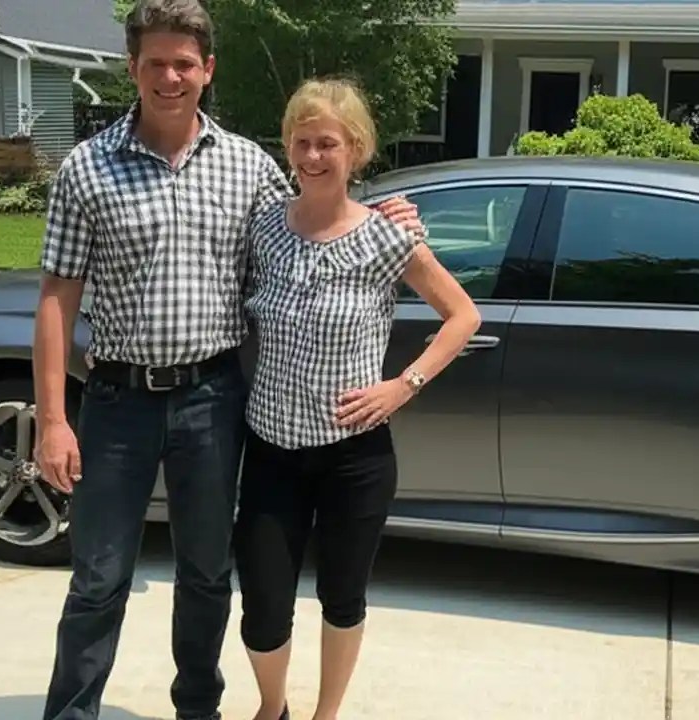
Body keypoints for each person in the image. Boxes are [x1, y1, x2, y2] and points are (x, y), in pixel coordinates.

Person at [30, 3, 422, 719]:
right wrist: (53, 420)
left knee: (207, 574)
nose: (170, 77)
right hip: (116, 402)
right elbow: (58, 297)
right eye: (155, 63)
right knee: (98, 577)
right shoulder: (87, 168)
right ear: (133, 69)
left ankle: (198, 710)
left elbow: (316, 216)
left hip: (212, 399)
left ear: (207, 69)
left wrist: (386, 216)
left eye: (184, 63)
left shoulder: (249, 167)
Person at [231, 77, 481, 720]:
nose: (313, 156)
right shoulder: (264, 227)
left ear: (356, 150)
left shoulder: (386, 238)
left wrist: (403, 385)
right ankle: (272, 708)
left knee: (343, 598)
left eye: (328, 144)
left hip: (354, 457)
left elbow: (462, 315)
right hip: (271, 452)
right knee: (262, 605)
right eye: (302, 142)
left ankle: (326, 715)